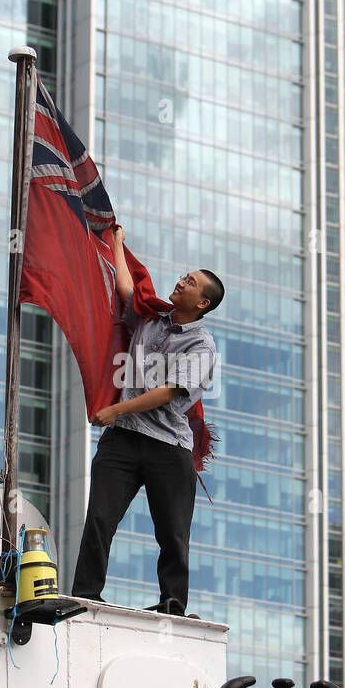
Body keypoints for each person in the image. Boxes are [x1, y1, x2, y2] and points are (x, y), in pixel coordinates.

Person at [71, 225, 223, 616]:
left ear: (202, 303)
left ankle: (171, 606)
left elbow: (172, 391)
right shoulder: (152, 318)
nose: (180, 281)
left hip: (168, 448)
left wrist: (116, 409)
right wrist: (117, 245)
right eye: (183, 276)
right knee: (99, 519)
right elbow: (126, 290)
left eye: (189, 282)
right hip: (122, 440)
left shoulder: (201, 345)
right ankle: (85, 593)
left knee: (172, 534)